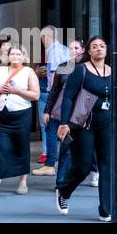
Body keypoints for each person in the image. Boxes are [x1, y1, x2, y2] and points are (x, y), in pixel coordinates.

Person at [55, 36, 116, 220]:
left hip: (106, 122)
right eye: (94, 46)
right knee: (82, 165)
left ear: (106, 50)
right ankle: (64, 191)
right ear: (88, 51)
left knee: (106, 164)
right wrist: (64, 123)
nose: (99, 49)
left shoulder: (112, 71)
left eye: (102, 46)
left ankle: (106, 208)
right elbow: (68, 97)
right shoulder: (80, 70)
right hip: (84, 123)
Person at [0, 44, 40, 198]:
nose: (15, 57)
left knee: (22, 147)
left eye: (18, 54)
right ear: (8, 56)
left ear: (23, 56)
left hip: (21, 115)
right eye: (12, 54)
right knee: (0, 148)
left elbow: (35, 95)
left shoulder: (29, 72)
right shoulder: (0, 70)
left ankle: (22, 182)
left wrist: (17, 91)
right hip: (1, 115)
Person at [42, 40, 96, 190]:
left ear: (83, 50)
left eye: (76, 48)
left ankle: (94, 170)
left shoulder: (89, 67)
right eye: (71, 48)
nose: (73, 50)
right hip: (66, 112)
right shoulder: (63, 67)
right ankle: (61, 182)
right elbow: (54, 90)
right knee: (66, 146)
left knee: (88, 145)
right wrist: (47, 110)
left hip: (86, 112)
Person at [37, 26, 68, 169]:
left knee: (49, 127)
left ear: (45, 38)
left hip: (54, 94)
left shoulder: (54, 52)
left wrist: (50, 97)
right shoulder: (63, 49)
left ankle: (50, 162)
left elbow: (54, 76)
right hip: (64, 95)